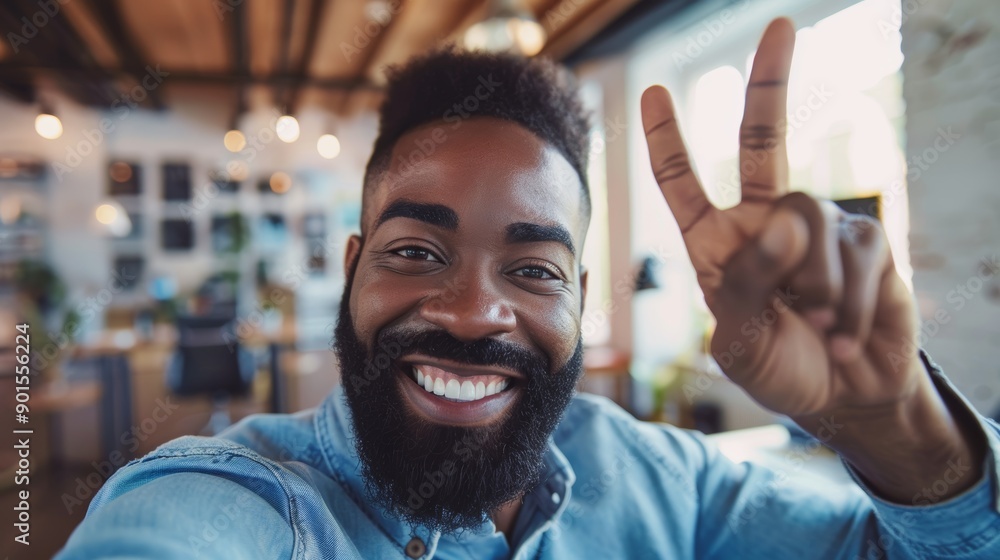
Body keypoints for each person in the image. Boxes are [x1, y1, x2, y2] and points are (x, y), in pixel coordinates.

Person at [58, 18, 999, 559]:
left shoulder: (663, 486)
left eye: (534, 268)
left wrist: (893, 425)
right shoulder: (230, 506)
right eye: (417, 252)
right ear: (352, 271)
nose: (472, 312)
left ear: (580, 296)